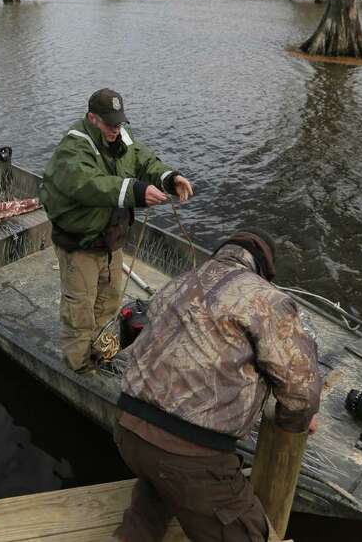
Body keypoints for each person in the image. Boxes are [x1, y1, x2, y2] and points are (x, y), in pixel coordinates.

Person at [113, 230, 322, 542]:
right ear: (265, 270)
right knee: (246, 531)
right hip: (191, 455)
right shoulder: (267, 298)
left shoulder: (181, 281)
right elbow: (301, 391)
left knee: (154, 500)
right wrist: (294, 423)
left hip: (126, 430)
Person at [39, 88, 194, 373]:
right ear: (92, 119)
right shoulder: (73, 148)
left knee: (109, 302)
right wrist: (136, 191)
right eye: (110, 124)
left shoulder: (120, 134)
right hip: (81, 245)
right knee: (79, 312)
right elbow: (89, 184)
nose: (116, 129)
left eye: (120, 122)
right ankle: (79, 371)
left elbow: (144, 159)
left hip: (110, 241)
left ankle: (101, 353)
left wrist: (170, 179)